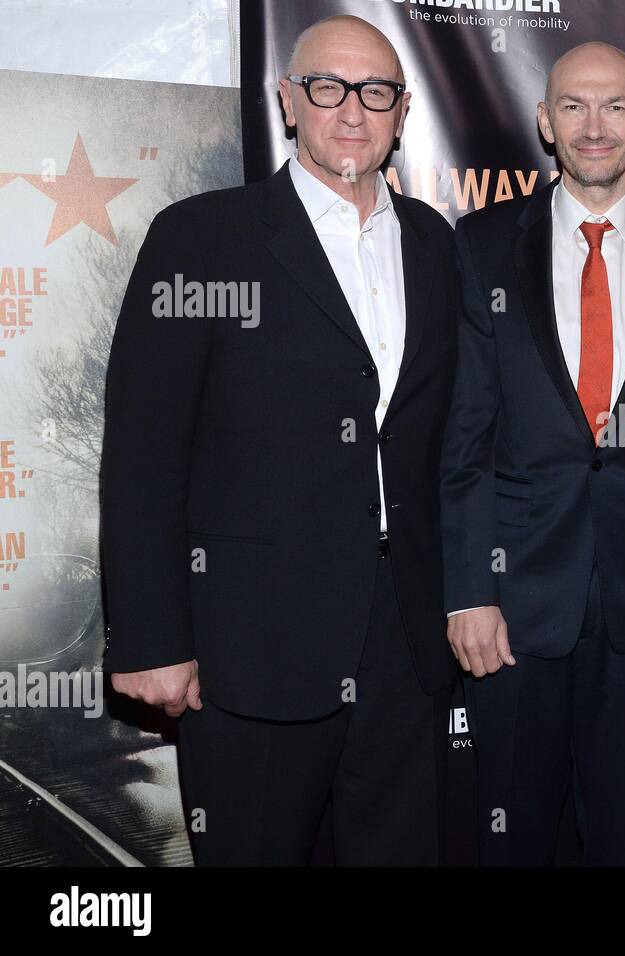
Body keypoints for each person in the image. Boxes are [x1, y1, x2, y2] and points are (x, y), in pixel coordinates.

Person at [102, 15, 459, 865]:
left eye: (375, 92)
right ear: (287, 102)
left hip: (404, 640)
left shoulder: (436, 247)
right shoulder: (201, 238)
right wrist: (152, 640)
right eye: (326, 87)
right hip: (248, 643)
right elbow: (146, 454)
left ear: (402, 113)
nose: (350, 111)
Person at [440, 42, 625, 865]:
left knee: (622, 842)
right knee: (514, 844)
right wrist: (467, 591)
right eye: (573, 105)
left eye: (615, 107)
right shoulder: (482, 244)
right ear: (544, 121)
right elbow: (463, 437)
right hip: (510, 607)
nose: (594, 125)